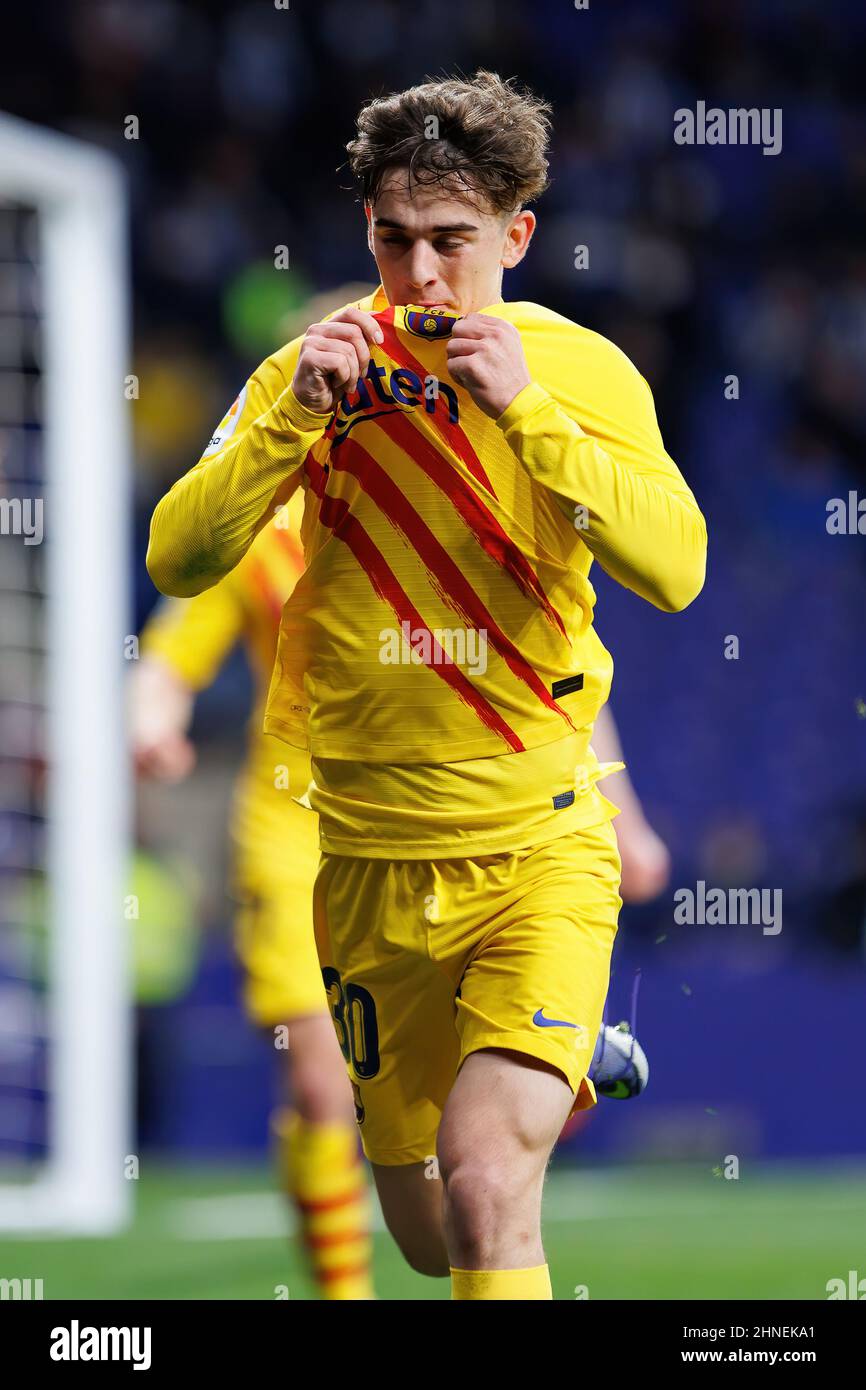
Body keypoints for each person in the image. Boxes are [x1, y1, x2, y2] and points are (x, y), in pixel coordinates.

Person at [147, 69, 706, 1300]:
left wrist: (529, 416)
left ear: (513, 235)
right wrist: (289, 419)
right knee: (427, 1227)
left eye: (453, 243)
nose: (422, 280)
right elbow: (177, 556)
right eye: (394, 243)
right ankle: (572, 1058)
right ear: (365, 236)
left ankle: (544, 1052)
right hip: (362, 860)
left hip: (536, 847)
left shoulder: (583, 373)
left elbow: (674, 569)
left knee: (488, 1177)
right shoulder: (308, 376)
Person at [131, 499, 374, 1301]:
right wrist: (153, 715)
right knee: (318, 1082)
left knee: (434, 1106)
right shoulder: (258, 520)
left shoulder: (429, 485)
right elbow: (172, 653)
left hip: (422, 824)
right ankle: (344, 1295)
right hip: (290, 832)